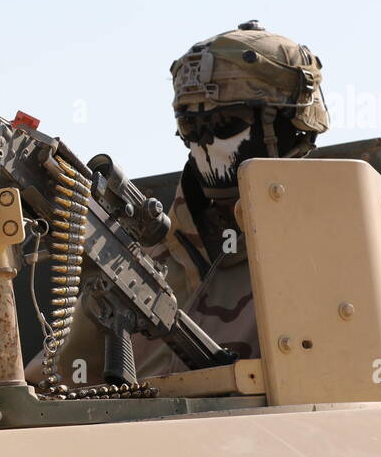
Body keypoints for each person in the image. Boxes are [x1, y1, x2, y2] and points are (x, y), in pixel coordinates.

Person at [39, 20, 331, 385]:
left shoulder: (334, 256)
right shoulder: (140, 259)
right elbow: (51, 389)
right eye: (191, 124)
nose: (206, 141)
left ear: (291, 126)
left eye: (226, 122)